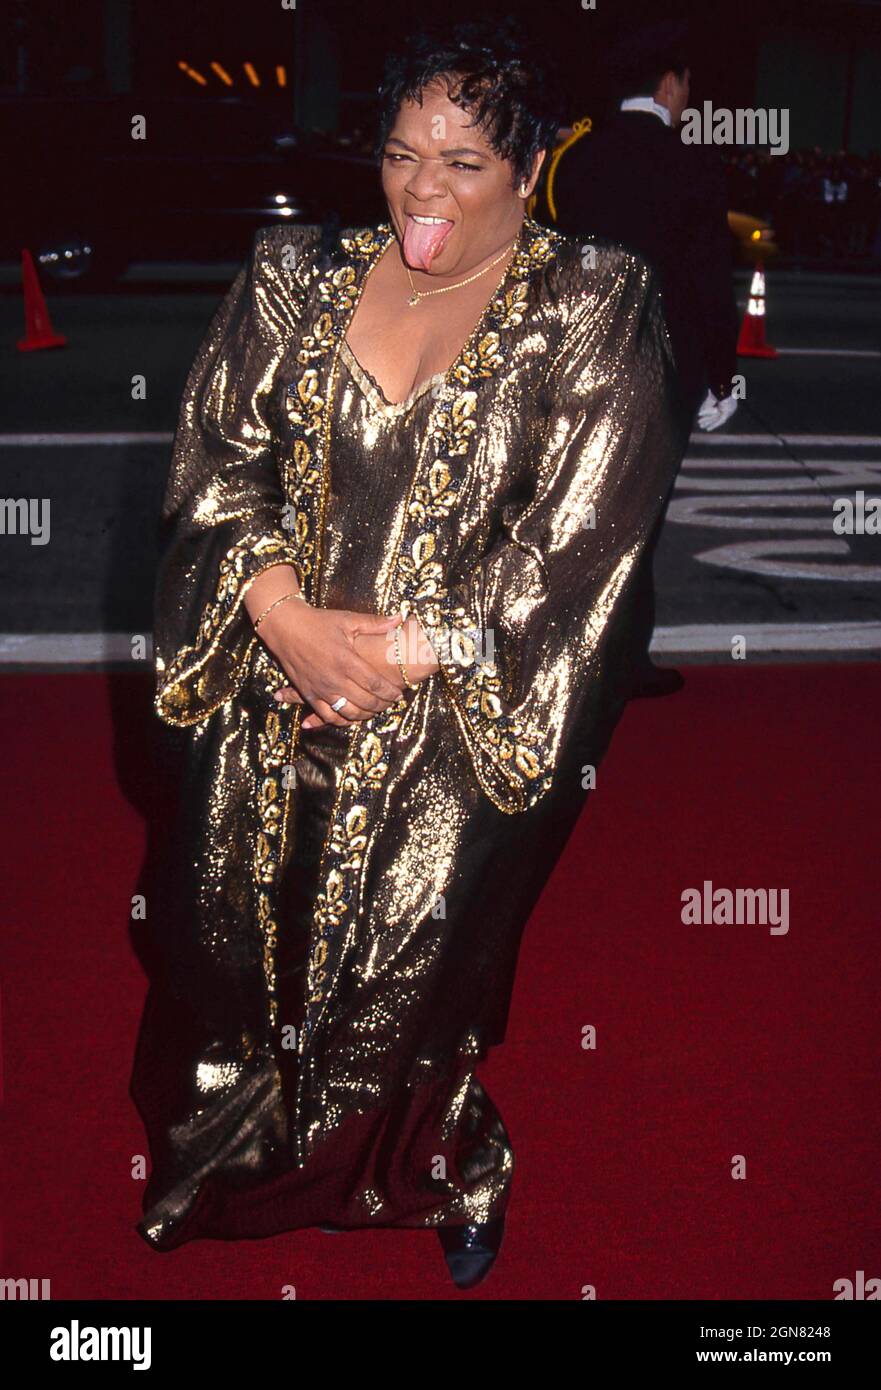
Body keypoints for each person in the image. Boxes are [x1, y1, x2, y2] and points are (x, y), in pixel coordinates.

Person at [132, 19, 686, 1290]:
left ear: (530, 163)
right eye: (397, 155)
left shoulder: (593, 301)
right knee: (229, 937)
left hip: (465, 704)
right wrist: (280, 619)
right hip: (264, 684)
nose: (419, 191)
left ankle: (440, 1167)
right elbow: (218, 467)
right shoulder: (293, 277)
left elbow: (578, 543)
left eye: (463, 163)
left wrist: (394, 659)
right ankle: (237, 1165)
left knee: (425, 961)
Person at [553, 22, 740, 698]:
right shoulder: (691, 161)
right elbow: (708, 278)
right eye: (686, 84)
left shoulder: (574, 157)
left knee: (585, 504)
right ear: (668, 84)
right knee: (642, 514)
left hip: (584, 359)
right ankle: (623, 658)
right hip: (663, 363)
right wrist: (721, 373)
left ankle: (569, 646)